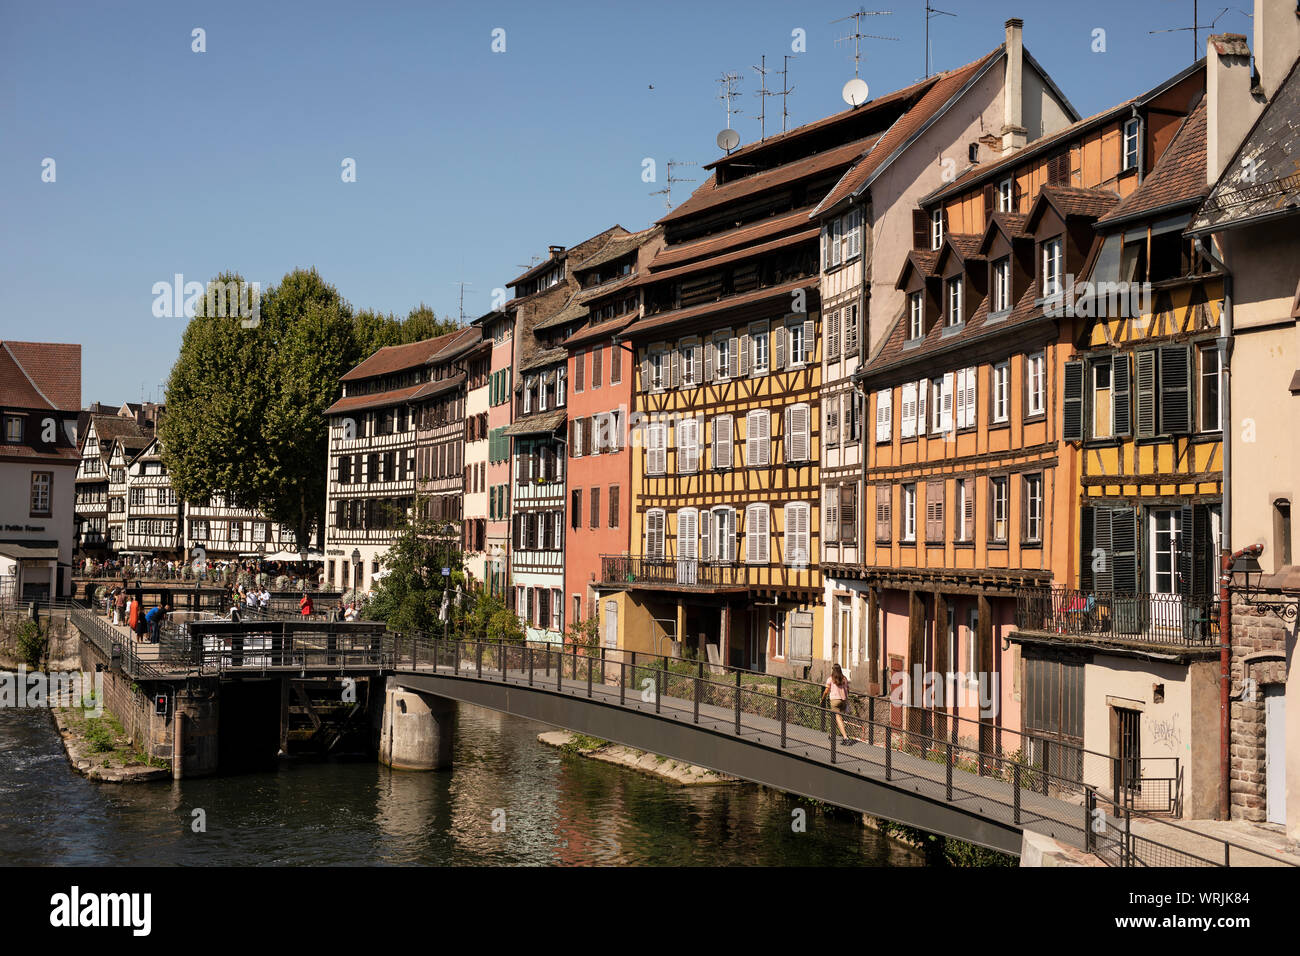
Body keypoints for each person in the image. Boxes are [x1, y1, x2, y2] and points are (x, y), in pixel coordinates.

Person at [820, 664, 854, 747]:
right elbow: (848, 689)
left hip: (835, 701)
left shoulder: (830, 679)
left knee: (838, 718)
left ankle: (846, 738)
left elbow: (826, 691)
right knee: (837, 717)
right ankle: (832, 735)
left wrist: (822, 698)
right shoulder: (844, 678)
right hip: (843, 700)